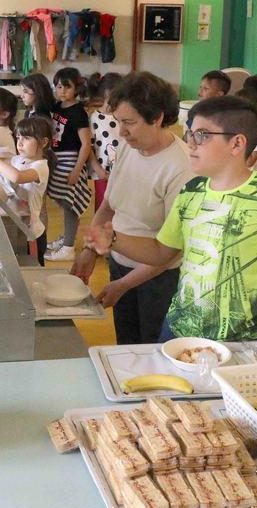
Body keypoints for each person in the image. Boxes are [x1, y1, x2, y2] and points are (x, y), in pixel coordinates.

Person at [84, 96, 257, 359]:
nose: (191, 144)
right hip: (179, 329)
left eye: (202, 135)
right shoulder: (191, 191)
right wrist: (114, 239)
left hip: (242, 339)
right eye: (190, 134)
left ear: (237, 143)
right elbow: (162, 251)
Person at [71, 72, 191, 344]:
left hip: (159, 278)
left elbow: (170, 250)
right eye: (118, 122)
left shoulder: (180, 167)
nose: (121, 132)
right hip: (120, 264)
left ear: (157, 118)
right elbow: (108, 206)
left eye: (128, 123)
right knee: (127, 344)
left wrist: (125, 285)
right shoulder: (127, 147)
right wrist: (90, 250)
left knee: (153, 349)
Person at [0, 117, 54, 265]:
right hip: (20, 224)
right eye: (18, 137)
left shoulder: (41, 167)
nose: (19, 143)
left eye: (26, 138)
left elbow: (17, 177)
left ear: (44, 142)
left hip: (32, 233)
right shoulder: (20, 159)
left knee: (33, 268)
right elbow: (8, 169)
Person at [45, 67, 92, 262]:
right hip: (56, 158)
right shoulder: (57, 107)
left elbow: (86, 144)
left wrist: (77, 170)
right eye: (58, 86)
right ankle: (67, 237)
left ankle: (69, 247)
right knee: (61, 200)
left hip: (71, 159)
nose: (62, 91)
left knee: (70, 203)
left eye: (67, 87)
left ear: (76, 89)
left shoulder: (78, 112)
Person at [86, 72, 123, 210]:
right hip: (104, 173)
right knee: (104, 207)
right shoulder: (94, 118)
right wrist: (98, 169)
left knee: (121, 207)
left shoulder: (123, 115)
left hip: (123, 171)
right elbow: (88, 146)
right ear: (107, 92)